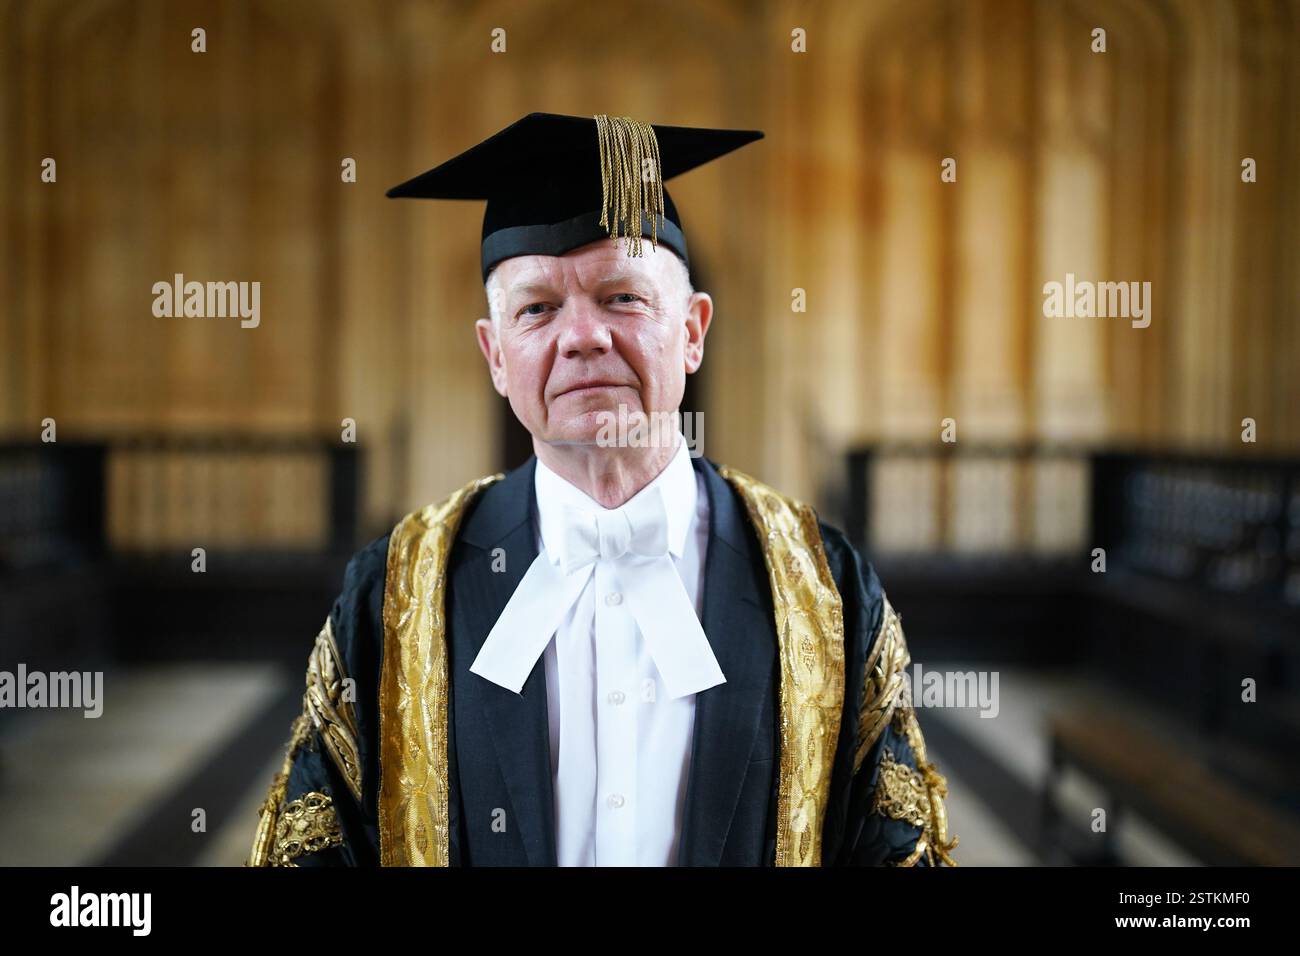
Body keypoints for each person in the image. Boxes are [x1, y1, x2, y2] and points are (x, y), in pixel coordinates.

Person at [247, 112, 957, 867]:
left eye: (622, 297)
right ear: (496, 355)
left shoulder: (824, 589)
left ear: (693, 331)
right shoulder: (394, 594)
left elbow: (892, 848)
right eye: (537, 308)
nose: (582, 336)